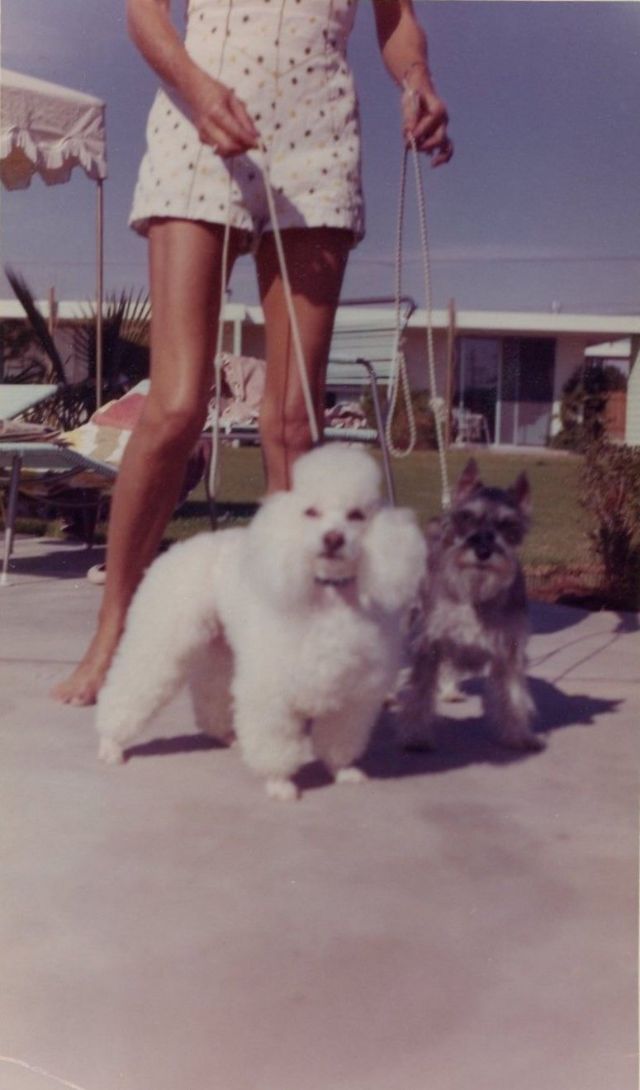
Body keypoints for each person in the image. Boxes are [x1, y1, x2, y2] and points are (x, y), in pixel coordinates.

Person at [53, 0, 453, 706]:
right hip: (197, 118)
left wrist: (416, 79)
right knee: (175, 407)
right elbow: (145, 14)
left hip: (319, 140)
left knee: (294, 423)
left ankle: (294, 649)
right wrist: (198, 87)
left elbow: (395, 21)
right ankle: (114, 629)